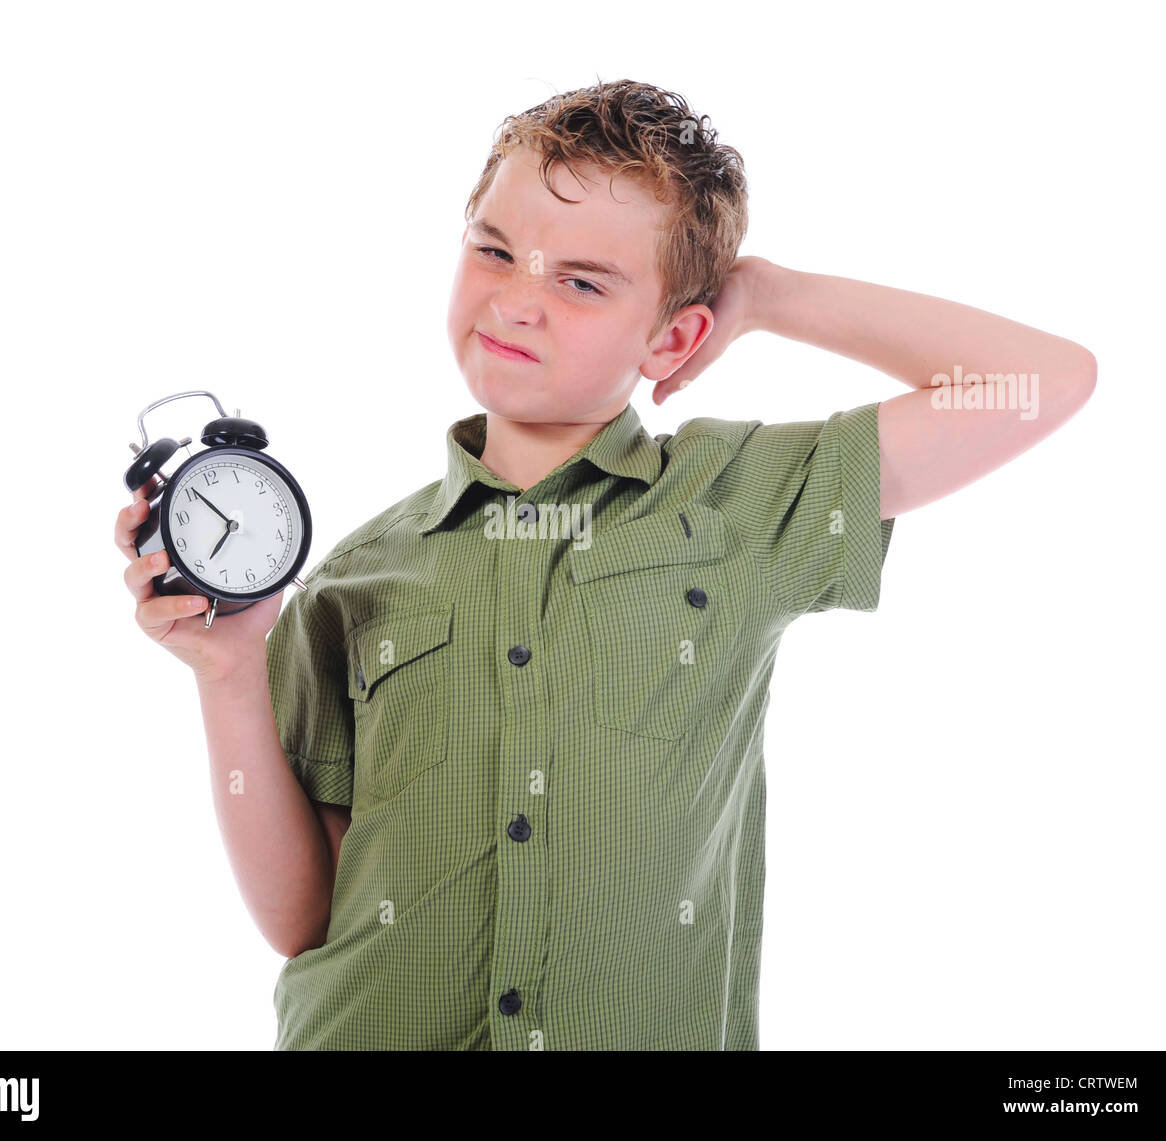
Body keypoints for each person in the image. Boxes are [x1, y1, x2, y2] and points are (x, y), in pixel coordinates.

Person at [114, 78, 1096, 1050]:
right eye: (494, 251)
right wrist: (232, 669)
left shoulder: (739, 500)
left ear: (673, 334)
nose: (514, 301)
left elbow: (1043, 383)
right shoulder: (353, 578)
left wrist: (767, 294)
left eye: (580, 281)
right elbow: (303, 918)